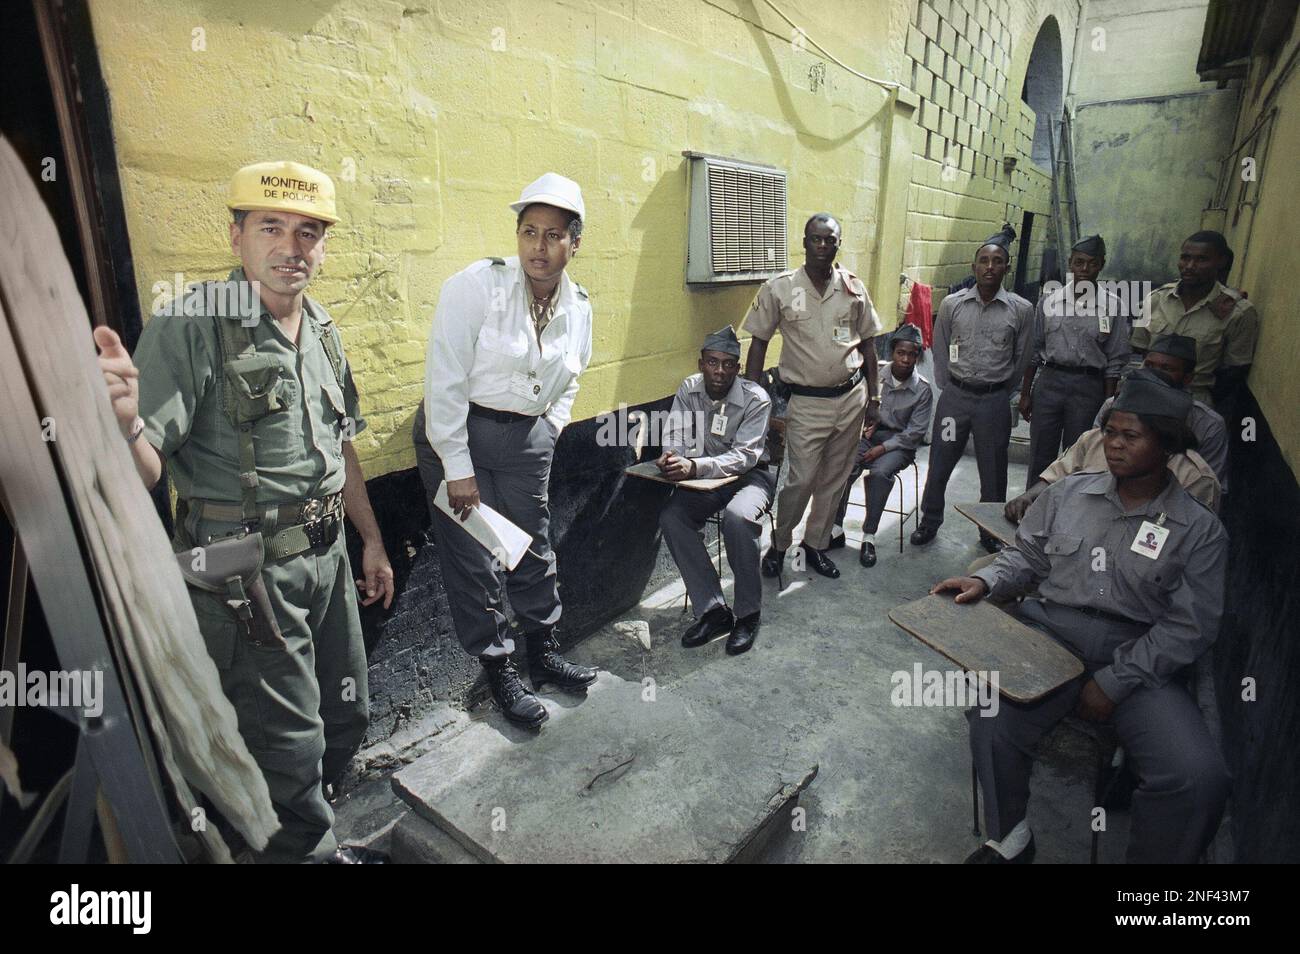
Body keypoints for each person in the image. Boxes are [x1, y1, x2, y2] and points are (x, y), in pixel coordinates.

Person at [95, 160, 395, 863]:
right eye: (271, 227)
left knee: (345, 714)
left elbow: (340, 447)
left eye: (309, 232)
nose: (293, 247)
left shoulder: (321, 327)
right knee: (287, 746)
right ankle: (303, 852)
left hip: (324, 562)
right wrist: (123, 427)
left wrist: (372, 540)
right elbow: (147, 469)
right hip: (243, 572)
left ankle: (294, 837)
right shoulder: (192, 327)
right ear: (237, 237)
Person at [933, 373, 1229, 864]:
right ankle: (1012, 839)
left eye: (1130, 436)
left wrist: (1115, 681)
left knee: (1198, 778)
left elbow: (1189, 626)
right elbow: (1027, 557)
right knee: (990, 714)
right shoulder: (1069, 494)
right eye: (1110, 431)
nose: (1113, 444)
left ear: (1167, 445)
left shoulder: (1199, 530)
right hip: (1051, 636)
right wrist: (986, 582)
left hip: (1139, 658)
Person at [412, 173, 595, 731]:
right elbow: (443, 379)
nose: (539, 248)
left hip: (526, 441)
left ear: (574, 243)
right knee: (476, 557)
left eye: (553, 235)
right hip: (458, 433)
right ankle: (500, 670)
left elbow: (572, 376)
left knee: (532, 547)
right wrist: (457, 466)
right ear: (517, 236)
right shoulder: (476, 286)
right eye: (529, 232)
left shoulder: (581, 307)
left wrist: (551, 430)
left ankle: (542, 653)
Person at [744, 213, 882, 581]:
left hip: (852, 398)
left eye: (830, 240)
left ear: (839, 243)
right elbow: (758, 342)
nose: (823, 246)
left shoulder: (853, 288)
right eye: (815, 239)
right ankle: (779, 544)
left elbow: (869, 344)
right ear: (804, 243)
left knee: (834, 480)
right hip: (806, 402)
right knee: (801, 480)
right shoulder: (780, 289)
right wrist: (751, 399)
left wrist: (875, 398)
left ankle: (815, 546)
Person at [911, 234, 1034, 551]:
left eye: (997, 261)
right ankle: (929, 521)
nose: (990, 267)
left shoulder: (1021, 310)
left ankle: (989, 531)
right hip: (956, 399)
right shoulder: (953, 305)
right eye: (984, 260)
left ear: (1006, 267)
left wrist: (1002, 390)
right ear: (974, 266)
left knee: (993, 470)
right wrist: (949, 385)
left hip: (993, 401)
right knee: (941, 460)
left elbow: (1022, 357)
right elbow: (941, 348)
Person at [658, 327, 774, 655]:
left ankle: (748, 614)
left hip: (750, 478)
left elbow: (744, 457)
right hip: (706, 482)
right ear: (701, 364)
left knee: (738, 518)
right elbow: (676, 433)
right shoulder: (689, 389)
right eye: (712, 362)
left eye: (727, 364)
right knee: (673, 516)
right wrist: (672, 456)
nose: (719, 371)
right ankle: (712, 610)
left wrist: (694, 467)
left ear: (737, 368)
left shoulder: (756, 399)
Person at [1020, 235, 1129, 490]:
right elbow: (1034, 350)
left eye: (1092, 263)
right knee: (1040, 453)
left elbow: (1115, 360)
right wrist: (1026, 393)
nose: (1084, 269)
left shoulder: (1113, 306)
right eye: (1079, 262)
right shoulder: (1049, 301)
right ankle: (1030, 510)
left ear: (1102, 265)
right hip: (1050, 382)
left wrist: (1108, 405)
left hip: (1088, 386)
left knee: (1080, 455)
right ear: (1070, 263)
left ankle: (1067, 514)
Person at [829, 323, 933, 568]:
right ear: (892, 352)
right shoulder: (877, 376)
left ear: (917, 357)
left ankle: (869, 536)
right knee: (844, 464)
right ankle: (835, 528)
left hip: (899, 445)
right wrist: (864, 424)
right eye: (901, 353)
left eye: (912, 354)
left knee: (879, 473)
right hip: (869, 437)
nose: (906, 359)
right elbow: (858, 404)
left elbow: (915, 433)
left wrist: (883, 449)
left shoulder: (923, 390)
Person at [1130, 230, 1259, 408]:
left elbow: (1235, 370)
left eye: (1201, 259)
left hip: (1195, 401)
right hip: (1145, 395)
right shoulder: (1154, 300)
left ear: (1220, 261)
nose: (1189, 266)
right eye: (1185, 257)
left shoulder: (1238, 312)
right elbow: (1140, 347)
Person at [1092, 334, 1228, 491]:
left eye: (1167, 369)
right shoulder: (1113, 406)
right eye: (1149, 366)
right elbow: (1093, 453)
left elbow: (1210, 488)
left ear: (1187, 378)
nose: (1154, 374)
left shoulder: (1208, 424)